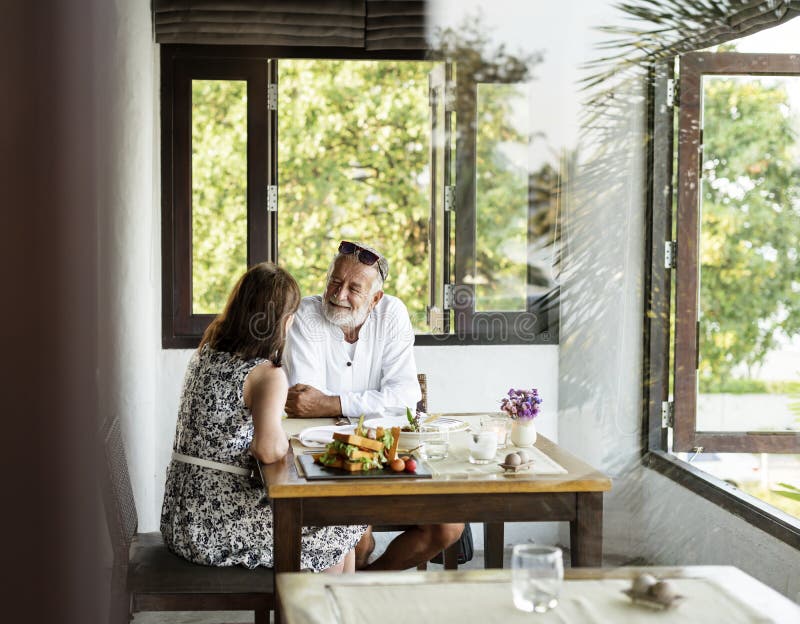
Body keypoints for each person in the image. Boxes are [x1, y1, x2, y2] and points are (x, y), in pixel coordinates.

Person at [161, 262, 365, 573]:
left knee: (335, 537)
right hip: (216, 524)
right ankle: (314, 614)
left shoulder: (206, 354)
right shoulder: (266, 375)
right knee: (344, 526)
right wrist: (284, 438)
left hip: (180, 516)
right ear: (283, 322)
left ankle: (325, 612)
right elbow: (268, 449)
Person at [283, 241, 464, 570]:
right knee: (356, 535)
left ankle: (363, 582)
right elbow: (303, 402)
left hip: (390, 453)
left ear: (376, 298)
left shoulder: (392, 313)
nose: (339, 295)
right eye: (335, 282)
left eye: (354, 288)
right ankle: (355, 583)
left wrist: (332, 402)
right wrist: (371, 404)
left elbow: (407, 397)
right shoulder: (306, 316)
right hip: (325, 458)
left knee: (449, 526)